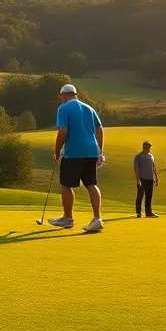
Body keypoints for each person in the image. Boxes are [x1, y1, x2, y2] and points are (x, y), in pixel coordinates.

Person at [49, 84, 104, 232]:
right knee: (91, 184)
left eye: (61, 96)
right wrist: (100, 151)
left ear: (64, 95)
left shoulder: (64, 108)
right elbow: (99, 129)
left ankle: (67, 218)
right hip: (91, 152)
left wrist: (57, 150)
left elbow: (63, 131)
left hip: (73, 152)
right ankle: (97, 218)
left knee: (66, 185)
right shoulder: (89, 108)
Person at [133, 140, 159, 218]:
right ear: (144, 147)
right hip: (142, 178)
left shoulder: (151, 156)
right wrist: (138, 179)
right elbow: (136, 168)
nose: (149, 149)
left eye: (149, 147)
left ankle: (148, 212)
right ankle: (138, 212)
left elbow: (153, 167)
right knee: (140, 196)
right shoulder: (138, 156)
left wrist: (157, 177)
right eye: (148, 147)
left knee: (149, 196)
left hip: (150, 178)